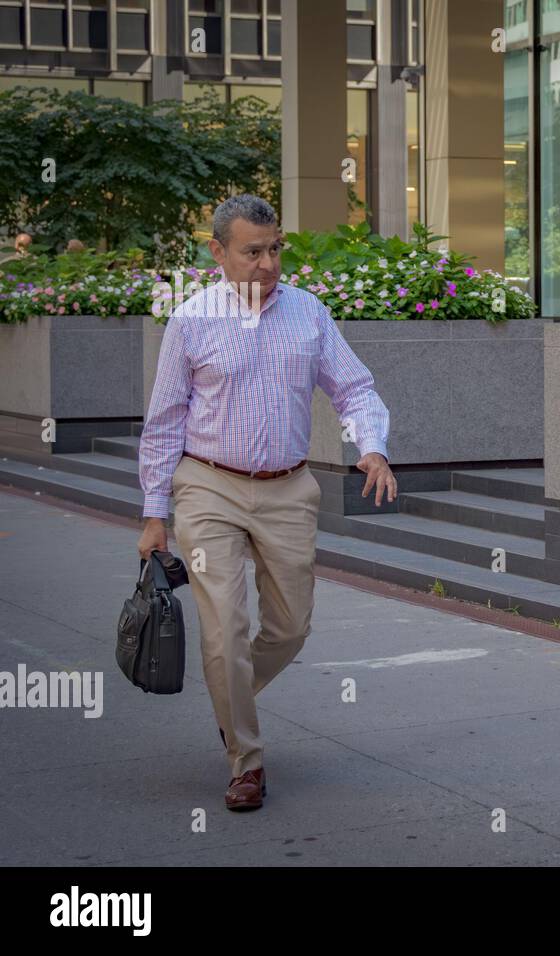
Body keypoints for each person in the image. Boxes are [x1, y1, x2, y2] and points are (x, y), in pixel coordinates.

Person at [136, 194, 396, 812]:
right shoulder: (192, 321)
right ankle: (245, 760)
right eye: (253, 252)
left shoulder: (308, 314)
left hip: (287, 489)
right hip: (208, 487)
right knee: (226, 629)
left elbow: (354, 386)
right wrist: (153, 513)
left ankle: (232, 697)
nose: (268, 263)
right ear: (218, 251)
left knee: (291, 628)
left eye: (275, 248)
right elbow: (165, 421)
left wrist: (374, 447)